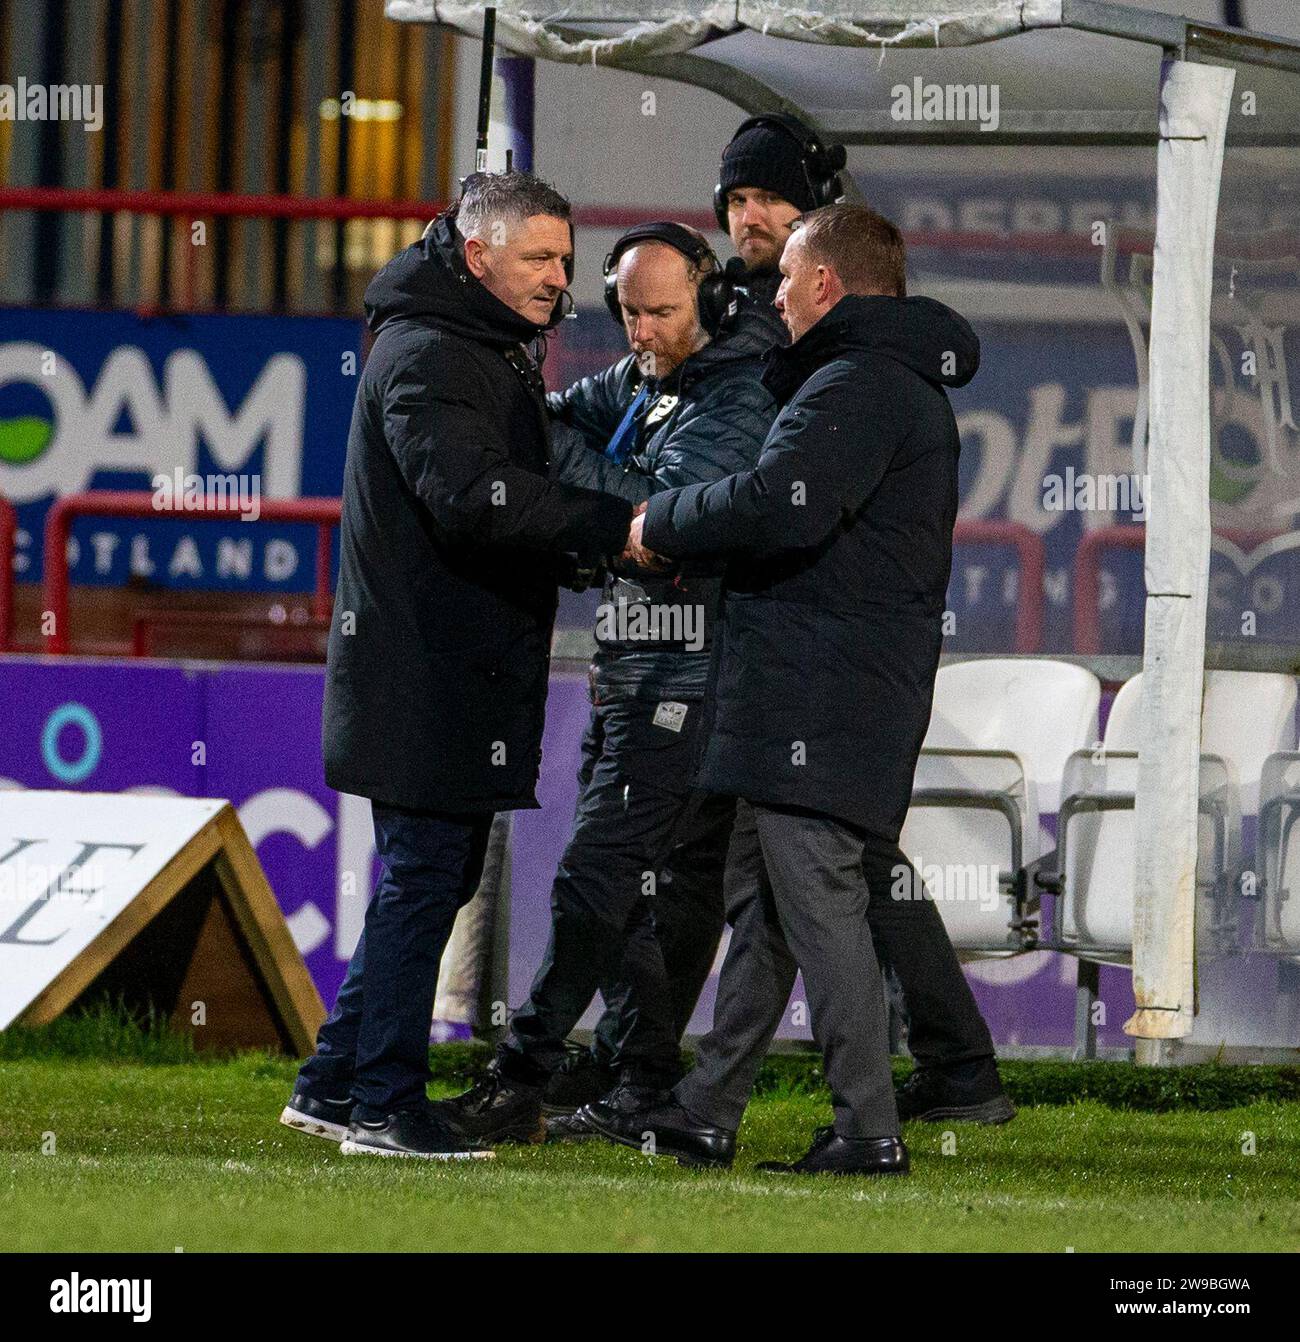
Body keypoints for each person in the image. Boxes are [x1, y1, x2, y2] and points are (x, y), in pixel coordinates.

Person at [582, 204, 982, 1174]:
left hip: (822, 690)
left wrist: (660, 522)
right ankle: (706, 1106)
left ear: (824, 285)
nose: (769, 295)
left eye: (784, 276)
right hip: (811, 685)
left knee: (819, 903)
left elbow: (778, 506)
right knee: (764, 904)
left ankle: (865, 1128)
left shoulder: (856, 382)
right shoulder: (876, 381)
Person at [279, 172, 634, 1161]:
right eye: (539, 259)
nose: (559, 280)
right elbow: (471, 497)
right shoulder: (434, 352)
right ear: (477, 255)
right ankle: (388, 1104)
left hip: (437, 668)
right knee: (427, 876)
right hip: (425, 673)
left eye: (564, 260)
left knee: (423, 876)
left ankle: (334, 1080)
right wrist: (611, 527)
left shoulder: (459, 340)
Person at [431, 222, 776, 1147]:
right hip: (627, 664)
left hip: (687, 676)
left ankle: (523, 1073)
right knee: (613, 888)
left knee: (593, 877)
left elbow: (657, 515)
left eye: (660, 312)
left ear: (704, 297)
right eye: (626, 310)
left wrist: (571, 485)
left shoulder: (740, 394)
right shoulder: (639, 380)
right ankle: (642, 1080)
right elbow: (556, 422)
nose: (640, 331)